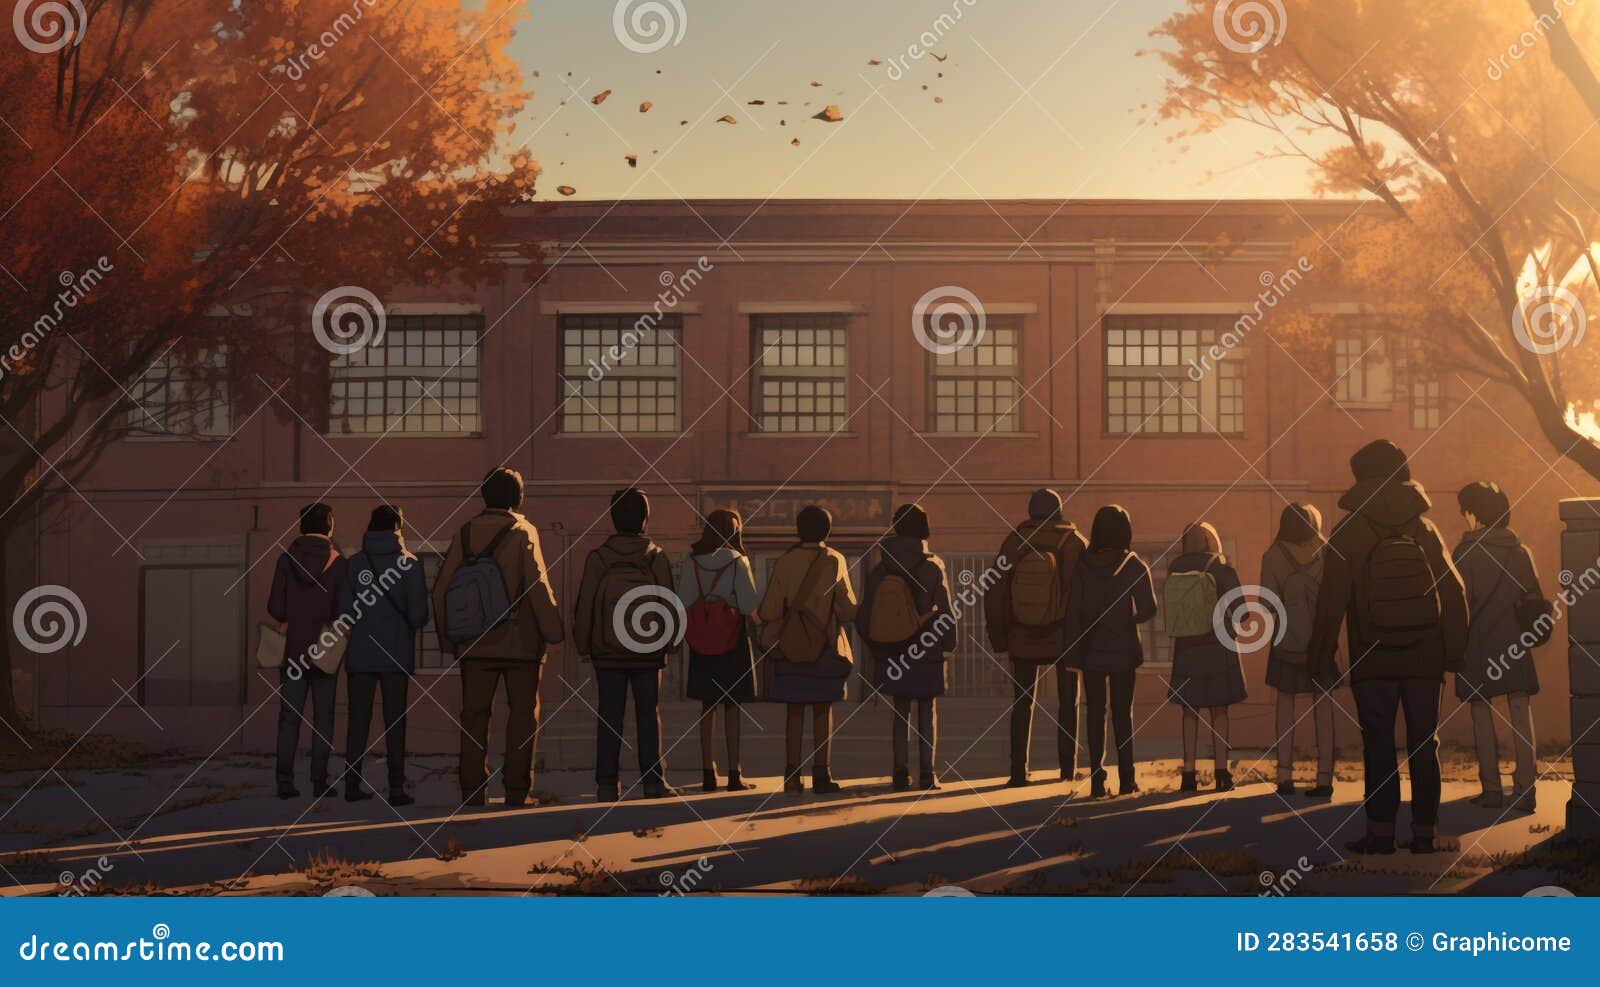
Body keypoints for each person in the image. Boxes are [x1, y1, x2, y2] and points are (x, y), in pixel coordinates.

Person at [1308, 439, 1468, 855]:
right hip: (1425, 658)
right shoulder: (1424, 528)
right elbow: (1454, 591)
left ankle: (1380, 834)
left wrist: (1321, 658)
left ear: (1361, 477)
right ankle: (1424, 834)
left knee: (1377, 743)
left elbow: (1330, 603)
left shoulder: (1348, 532)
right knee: (1423, 743)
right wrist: (1454, 654)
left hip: (1372, 657)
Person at [433, 467, 565, 809]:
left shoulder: (465, 533)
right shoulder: (524, 532)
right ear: (518, 498)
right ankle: (517, 791)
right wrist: (554, 630)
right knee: (523, 714)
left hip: (474, 643)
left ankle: (472, 790)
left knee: (474, 714)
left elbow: (442, 589)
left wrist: (449, 639)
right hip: (520, 643)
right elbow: (537, 585)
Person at [573, 487, 678, 802]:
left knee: (609, 715)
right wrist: (669, 643)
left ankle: (607, 784)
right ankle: (653, 782)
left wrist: (584, 643)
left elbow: (586, 604)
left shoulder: (599, 558)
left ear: (614, 519)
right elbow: (669, 603)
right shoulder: (656, 557)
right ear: (645, 519)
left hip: (607, 651)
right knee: (649, 713)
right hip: (647, 649)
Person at [985, 488, 1087, 789]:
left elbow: (994, 592)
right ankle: (1067, 770)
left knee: (1022, 704)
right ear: (1058, 511)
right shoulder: (1074, 542)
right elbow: (1084, 594)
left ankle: (1018, 772)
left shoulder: (1014, 543)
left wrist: (1000, 638)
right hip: (1064, 637)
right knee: (1068, 701)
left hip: (1022, 635)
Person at [758, 505, 859, 796]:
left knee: (795, 709)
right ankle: (821, 773)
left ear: (798, 529)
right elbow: (848, 610)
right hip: (824, 647)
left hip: (790, 646)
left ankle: (791, 774)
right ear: (827, 531)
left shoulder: (785, 561)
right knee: (821, 709)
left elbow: (770, 609)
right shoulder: (835, 560)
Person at [1454, 482, 1542, 812]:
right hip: (1516, 643)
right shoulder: (1521, 552)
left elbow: (1460, 603)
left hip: (1477, 645)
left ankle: (1491, 788)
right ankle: (1526, 791)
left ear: (1473, 513)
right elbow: (1533, 598)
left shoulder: (1464, 553)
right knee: (1521, 714)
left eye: (1466, 512)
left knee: (1481, 714)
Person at [859, 504, 954, 792]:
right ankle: (928, 774)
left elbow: (865, 615)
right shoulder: (933, 565)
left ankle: (900, 774)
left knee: (900, 711)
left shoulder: (880, 568)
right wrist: (949, 644)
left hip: (892, 651)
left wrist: (876, 644)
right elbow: (945, 611)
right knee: (927, 710)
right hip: (927, 650)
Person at [1063, 505, 1156, 799]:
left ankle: (1096, 778)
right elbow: (1149, 609)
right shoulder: (1133, 564)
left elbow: (1073, 613)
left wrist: (1073, 653)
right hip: (1123, 651)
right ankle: (1127, 778)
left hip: (1091, 652)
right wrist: (1128, 620)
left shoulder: (1082, 565)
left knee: (1095, 714)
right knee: (1122, 714)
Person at [339, 505, 429, 805]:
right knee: (395, 723)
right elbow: (418, 617)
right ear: (398, 527)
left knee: (357, 722)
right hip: (395, 654)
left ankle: (352, 786)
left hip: (360, 655)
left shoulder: (354, 565)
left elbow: (344, 614)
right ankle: (396, 789)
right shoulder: (411, 566)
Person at [267, 503, 348, 800]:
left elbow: (275, 607)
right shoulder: (339, 563)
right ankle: (319, 782)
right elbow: (344, 610)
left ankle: (285, 782)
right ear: (329, 526)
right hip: (326, 650)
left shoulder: (285, 561)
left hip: (293, 651)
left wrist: (295, 613)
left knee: (289, 718)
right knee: (323, 718)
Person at [677, 509, 761, 793]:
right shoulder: (738, 562)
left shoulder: (692, 563)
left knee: (707, 705)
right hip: (732, 638)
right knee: (732, 706)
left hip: (703, 640)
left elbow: (684, 601)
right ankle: (734, 773)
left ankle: (707, 772)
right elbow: (749, 605)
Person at [1261, 503, 1338, 798]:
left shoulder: (1273, 556)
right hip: (1320, 644)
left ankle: (1284, 777)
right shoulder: (1328, 552)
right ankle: (1324, 778)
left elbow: (1267, 603)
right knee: (1324, 707)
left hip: (1286, 643)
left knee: (1285, 705)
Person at [1166, 521, 1248, 793]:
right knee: (1219, 710)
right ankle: (1222, 773)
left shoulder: (1175, 568)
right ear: (1211, 541)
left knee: (1190, 711)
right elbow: (1242, 611)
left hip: (1187, 650)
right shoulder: (1221, 567)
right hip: (1218, 648)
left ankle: (1188, 774)